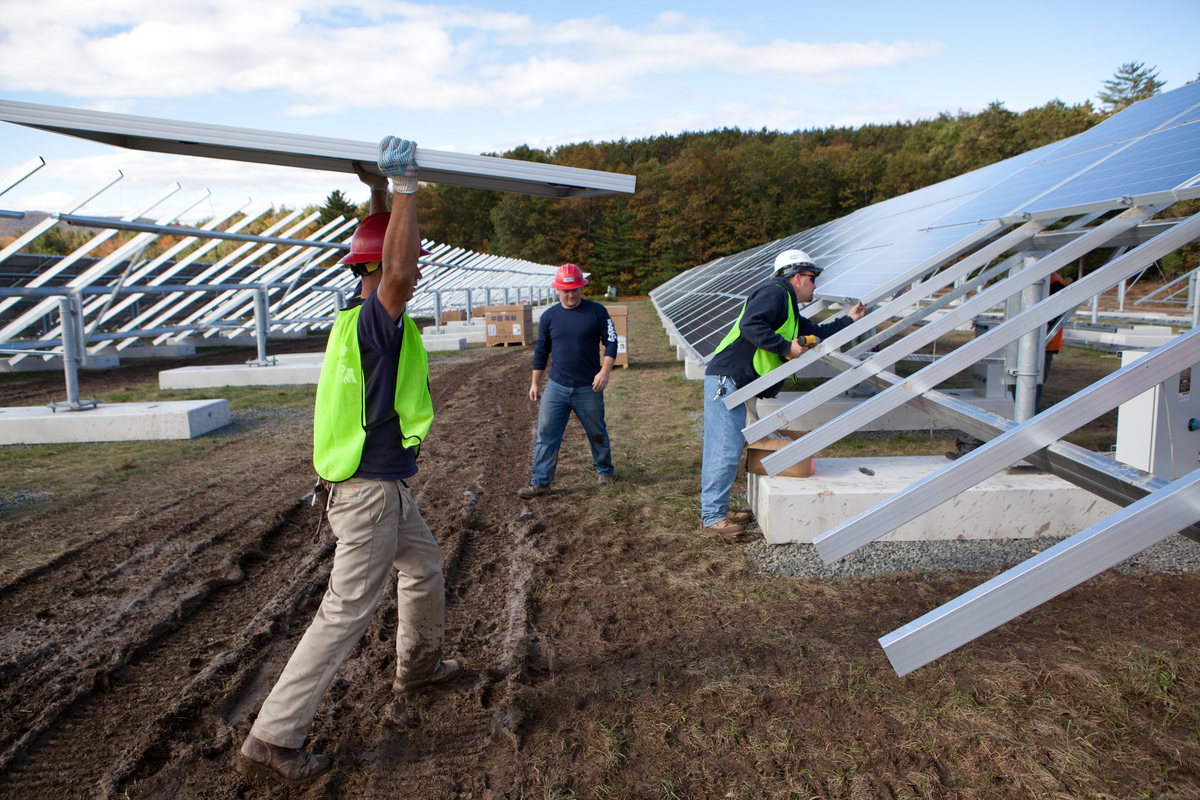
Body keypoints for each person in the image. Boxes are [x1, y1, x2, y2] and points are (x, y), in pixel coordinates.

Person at [237, 137, 462, 786]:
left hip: (379, 487)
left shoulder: (353, 322)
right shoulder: (377, 322)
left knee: (423, 566)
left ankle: (417, 669)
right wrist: (408, 188)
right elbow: (398, 272)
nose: (415, 276)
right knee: (345, 610)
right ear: (383, 270)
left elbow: (389, 265)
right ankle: (274, 737)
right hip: (368, 496)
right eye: (408, 268)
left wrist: (378, 192)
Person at [700, 249, 867, 541]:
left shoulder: (787, 304)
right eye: (812, 278)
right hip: (728, 380)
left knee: (729, 446)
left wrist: (849, 320)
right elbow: (751, 324)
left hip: (737, 380)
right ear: (797, 277)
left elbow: (815, 331)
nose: (815, 285)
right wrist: (785, 346)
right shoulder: (775, 292)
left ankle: (718, 509)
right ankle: (713, 516)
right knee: (724, 448)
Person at [519, 264, 619, 498]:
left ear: (581, 287)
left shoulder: (597, 312)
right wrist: (535, 383)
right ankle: (541, 482)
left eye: (575, 289)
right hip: (556, 386)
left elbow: (612, 342)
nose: (570, 294)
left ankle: (605, 472)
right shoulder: (549, 317)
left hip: (589, 387)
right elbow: (541, 351)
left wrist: (605, 371)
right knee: (545, 434)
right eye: (566, 291)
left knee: (596, 431)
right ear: (557, 290)